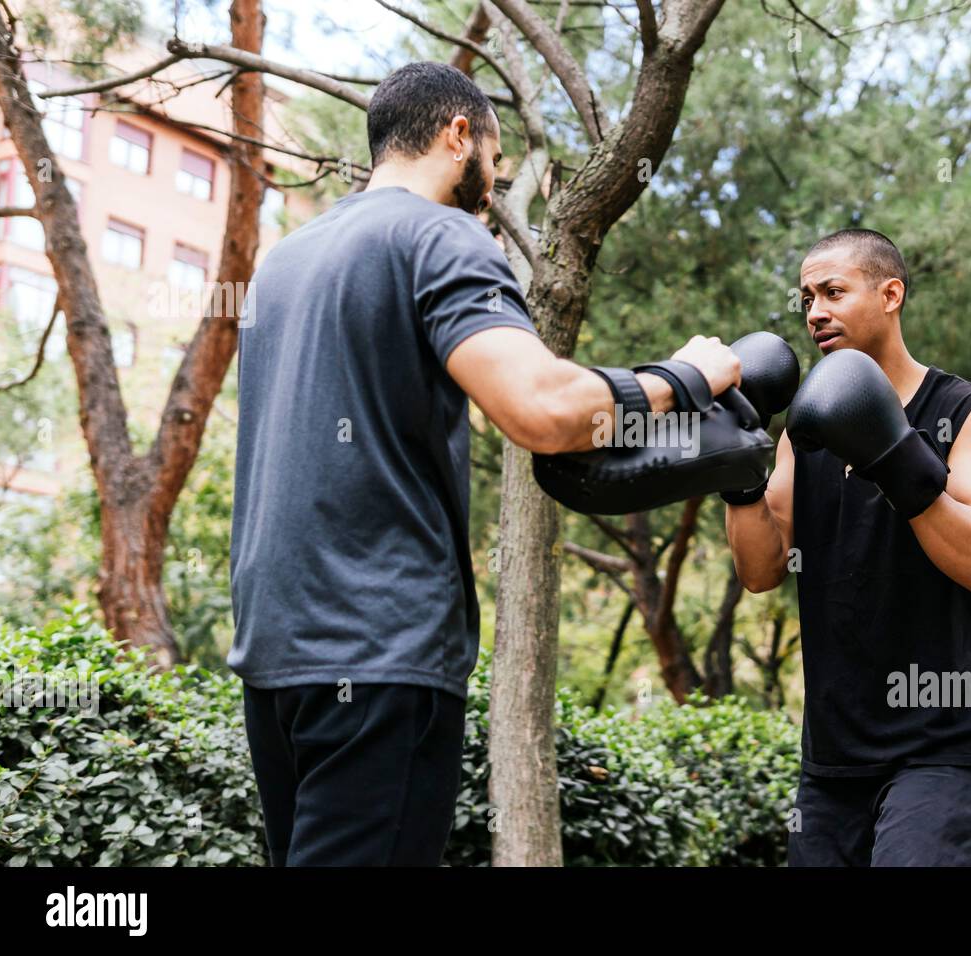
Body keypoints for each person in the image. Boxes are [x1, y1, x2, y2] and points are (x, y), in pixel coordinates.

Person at [228, 62, 741, 866]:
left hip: (276, 651)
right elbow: (542, 410)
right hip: (379, 647)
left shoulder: (284, 262)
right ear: (458, 134)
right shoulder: (437, 234)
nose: (494, 188)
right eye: (495, 164)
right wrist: (685, 379)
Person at [724, 228, 971, 866]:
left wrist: (895, 457)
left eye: (833, 291)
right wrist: (736, 472)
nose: (815, 312)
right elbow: (761, 570)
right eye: (806, 298)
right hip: (833, 751)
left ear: (891, 294)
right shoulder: (803, 435)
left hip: (942, 739)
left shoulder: (968, 413)